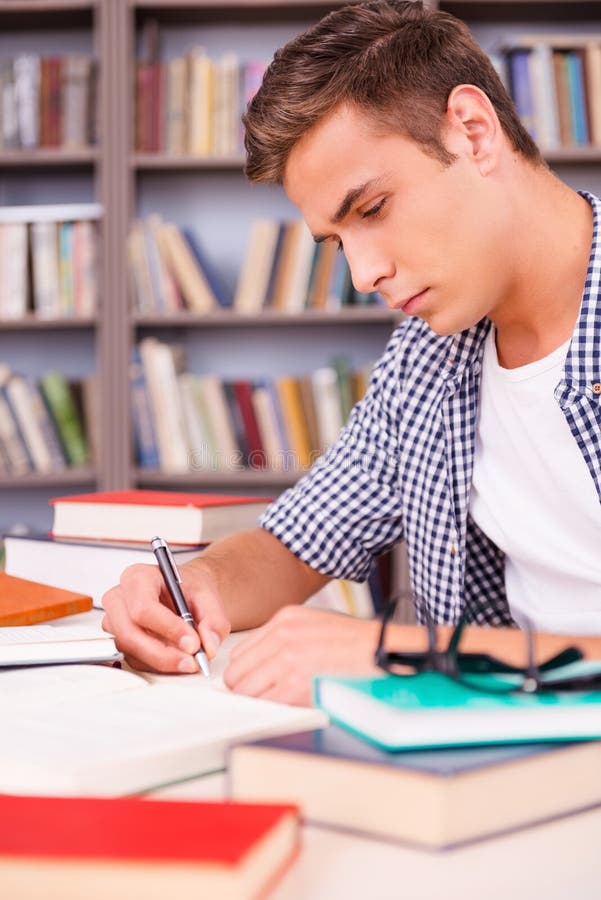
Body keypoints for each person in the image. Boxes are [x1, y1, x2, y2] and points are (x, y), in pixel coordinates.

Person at [102, 0, 601, 705]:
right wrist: (196, 586)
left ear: (473, 132)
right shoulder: (426, 358)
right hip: (507, 748)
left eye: (372, 209)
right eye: (338, 242)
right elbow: (296, 542)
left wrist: (409, 655)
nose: (364, 275)